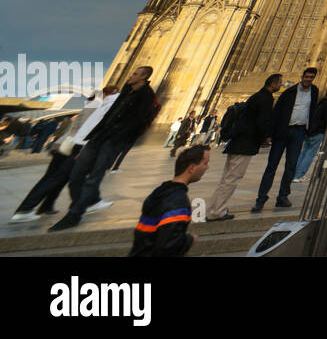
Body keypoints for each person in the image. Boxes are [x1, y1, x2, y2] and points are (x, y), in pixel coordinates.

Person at [49, 66, 156, 232]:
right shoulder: (127, 89)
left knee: (94, 178)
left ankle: (74, 215)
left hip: (113, 141)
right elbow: (111, 112)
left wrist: (119, 137)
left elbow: (138, 121)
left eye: (135, 74)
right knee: (76, 175)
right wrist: (95, 133)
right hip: (99, 137)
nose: (130, 75)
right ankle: (80, 205)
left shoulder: (147, 96)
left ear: (144, 76)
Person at [11, 87, 117, 222]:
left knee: (60, 178)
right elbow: (84, 131)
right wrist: (82, 150)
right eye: (114, 94)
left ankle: (46, 206)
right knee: (58, 177)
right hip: (72, 147)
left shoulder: (91, 105)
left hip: (64, 145)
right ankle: (25, 210)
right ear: (106, 94)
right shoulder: (96, 107)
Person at [206, 73, 278, 222]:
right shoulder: (265, 99)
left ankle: (213, 209)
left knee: (227, 178)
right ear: (272, 83)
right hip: (245, 143)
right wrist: (266, 136)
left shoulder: (257, 96)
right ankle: (216, 212)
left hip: (238, 142)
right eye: (279, 83)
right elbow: (261, 122)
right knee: (232, 178)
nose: (280, 86)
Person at [129, 144, 210, 257]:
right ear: (191, 168)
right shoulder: (178, 202)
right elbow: (169, 246)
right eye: (205, 163)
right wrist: (190, 240)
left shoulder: (161, 191)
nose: (207, 168)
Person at [254, 67, 317, 211]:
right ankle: (261, 198)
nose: (308, 79)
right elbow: (276, 113)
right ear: (302, 77)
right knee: (272, 166)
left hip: (299, 132)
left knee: (291, 166)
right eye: (306, 77)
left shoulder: (314, 91)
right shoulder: (289, 92)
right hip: (283, 132)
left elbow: (312, 110)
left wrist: (310, 129)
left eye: (311, 77)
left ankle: (283, 196)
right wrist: (269, 134)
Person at [294, 87, 327, 183]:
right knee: (310, 154)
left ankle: (295, 173)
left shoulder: (318, 103)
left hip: (310, 131)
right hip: (318, 132)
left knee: (304, 152)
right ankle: (299, 175)